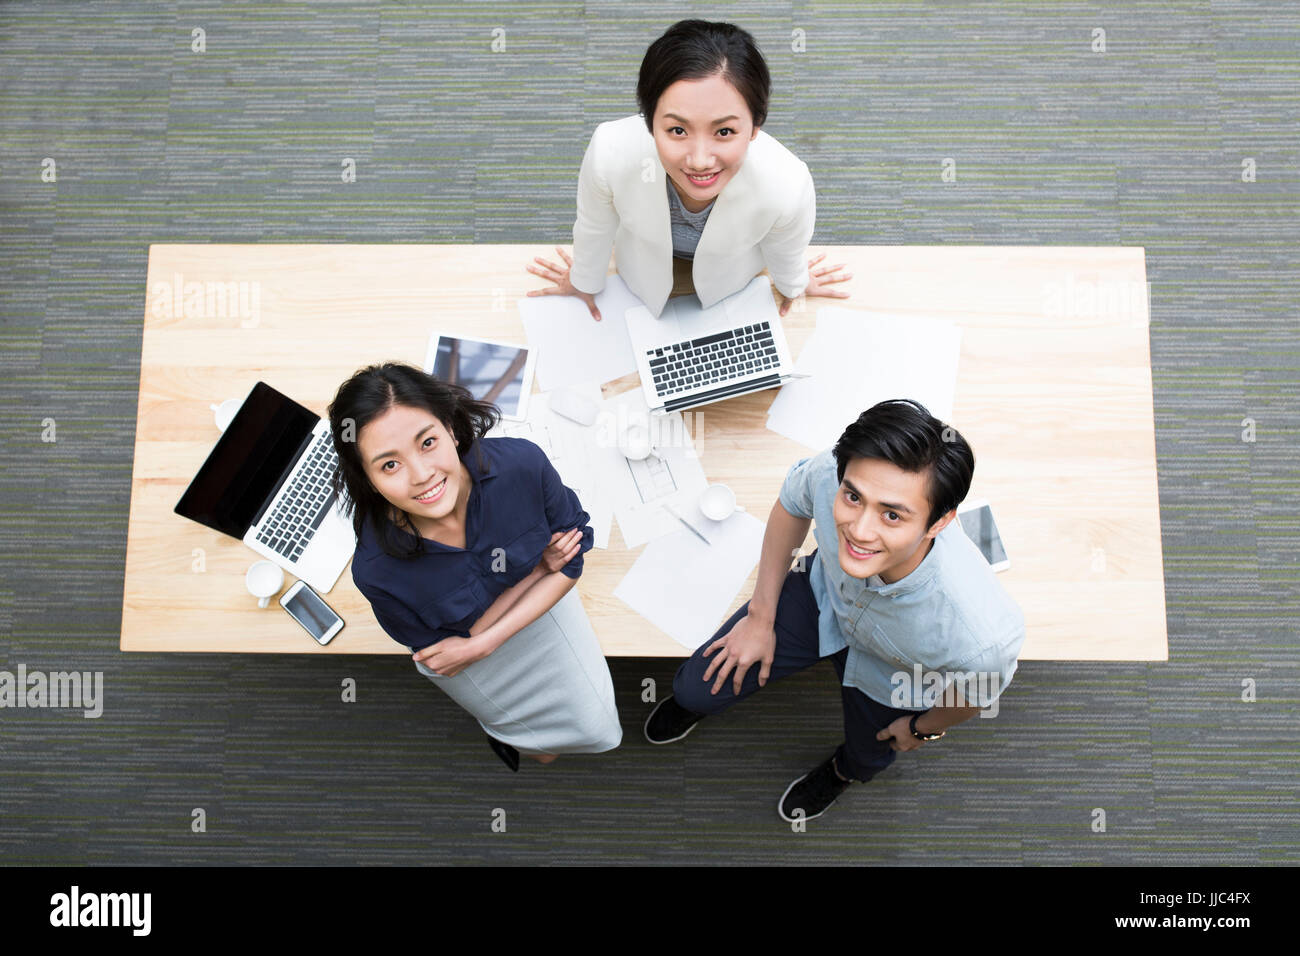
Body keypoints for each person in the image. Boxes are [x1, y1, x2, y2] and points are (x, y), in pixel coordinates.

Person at [644, 399, 1026, 821]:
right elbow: (792, 503)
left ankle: (841, 773)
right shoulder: (838, 471)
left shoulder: (983, 637)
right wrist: (761, 615)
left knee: (868, 757)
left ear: (938, 523)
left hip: (893, 674)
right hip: (823, 597)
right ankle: (694, 703)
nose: (860, 531)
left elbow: (973, 693)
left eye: (893, 515)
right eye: (853, 498)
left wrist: (924, 728)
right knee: (694, 689)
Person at [328, 362, 622, 771]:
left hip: (537, 619)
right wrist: (539, 571)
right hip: (492, 652)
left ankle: (532, 741)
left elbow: (571, 562)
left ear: (450, 427)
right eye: (389, 465)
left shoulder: (521, 465)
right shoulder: (377, 570)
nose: (421, 475)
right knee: (529, 737)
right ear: (368, 478)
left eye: (427, 442)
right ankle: (510, 734)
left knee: (592, 724)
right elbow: (444, 657)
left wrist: (482, 641)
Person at [526, 18, 850, 321]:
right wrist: (584, 280)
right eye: (678, 131)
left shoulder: (787, 183)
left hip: (730, 283)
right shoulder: (609, 152)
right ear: (650, 123)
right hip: (639, 272)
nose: (699, 160)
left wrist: (794, 283)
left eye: (724, 132)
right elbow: (594, 228)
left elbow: (785, 249)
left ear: (755, 127)